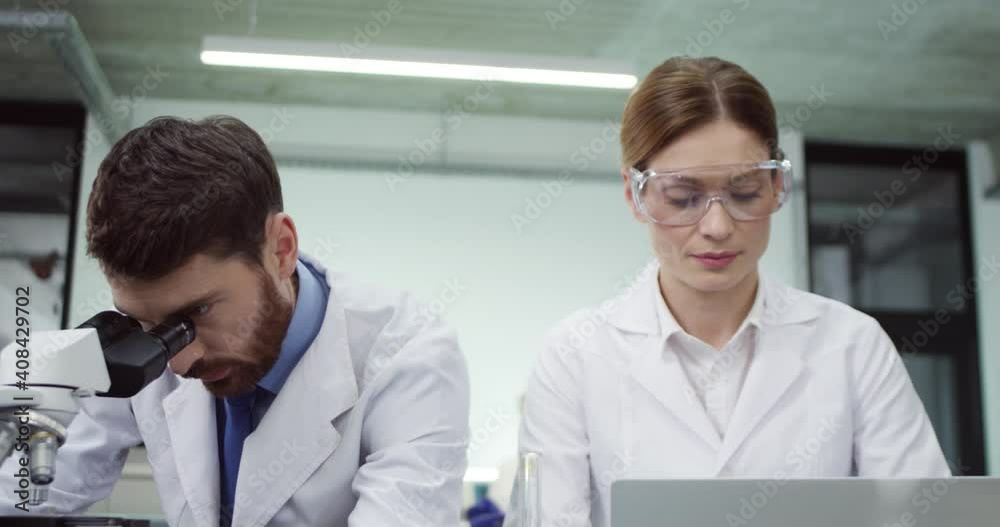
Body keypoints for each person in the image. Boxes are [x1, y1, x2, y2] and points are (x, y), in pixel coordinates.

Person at [507, 56, 950, 527]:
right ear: (635, 195)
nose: (717, 226)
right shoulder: (577, 354)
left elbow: (928, 517)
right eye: (683, 198)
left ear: (776, 185)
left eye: (745, 193)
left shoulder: (852, 344)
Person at [0, 116, 471, 526]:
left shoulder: (408, 360)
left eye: (198, 312)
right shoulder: (146, 352)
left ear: (281, 249)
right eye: (142, 322)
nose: (179, 362)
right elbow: (26, 495)